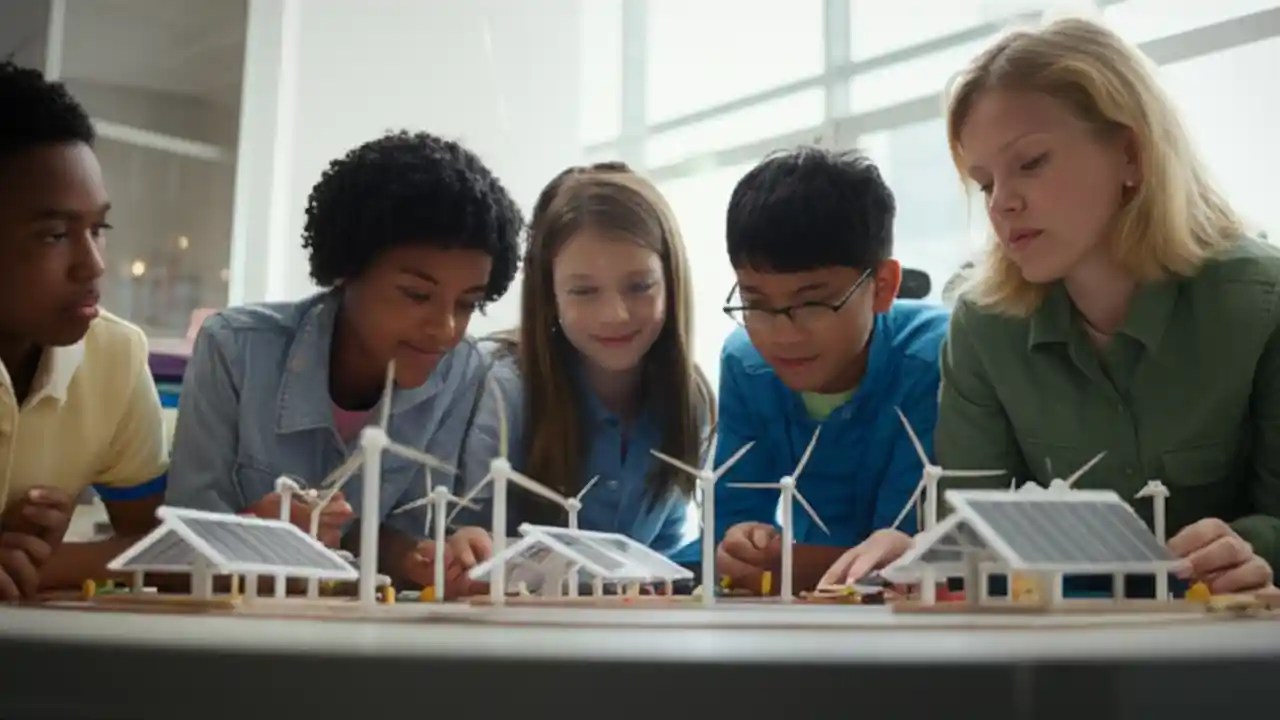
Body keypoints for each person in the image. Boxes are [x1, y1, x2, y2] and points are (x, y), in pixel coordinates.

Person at [821, 17, 1278, 595]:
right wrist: (920, 551)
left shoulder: (1262, 300)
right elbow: (964, 530)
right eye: (985, 183)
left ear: (1132, 155)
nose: (1002, 204)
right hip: (1059, 651)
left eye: (1031, 162)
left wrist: (1251, 550)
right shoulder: (982, 324)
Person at [166, 130, 523, 595]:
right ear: (346, 267)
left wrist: (426, 558)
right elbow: (180, 545)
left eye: (467, 303)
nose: (446, 330)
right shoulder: (235, 351)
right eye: (417, 295)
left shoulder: (464, 372)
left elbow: (396, 533)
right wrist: (257, 532)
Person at [450, 162, 711, 576]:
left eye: (640, 286)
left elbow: (663, 552)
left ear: (671, 281)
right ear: (549, 296)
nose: (615, 314)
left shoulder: (689, 399)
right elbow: (470, 536)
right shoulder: (506, 387)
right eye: (584, 291)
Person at [712, 147, 950, 591]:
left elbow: (901, 556)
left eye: (813, 302)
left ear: (883, 287)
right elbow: (726, 531)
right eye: (755, 303)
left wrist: (781, 565)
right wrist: (745, 542)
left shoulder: (936, 358)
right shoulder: (746, 363)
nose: (782, 334)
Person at [0, 61, 168, 599]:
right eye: (54, 235)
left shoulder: (113, 355)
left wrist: (45, 562)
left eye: (98, 229)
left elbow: (157, 543)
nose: (93, 265)